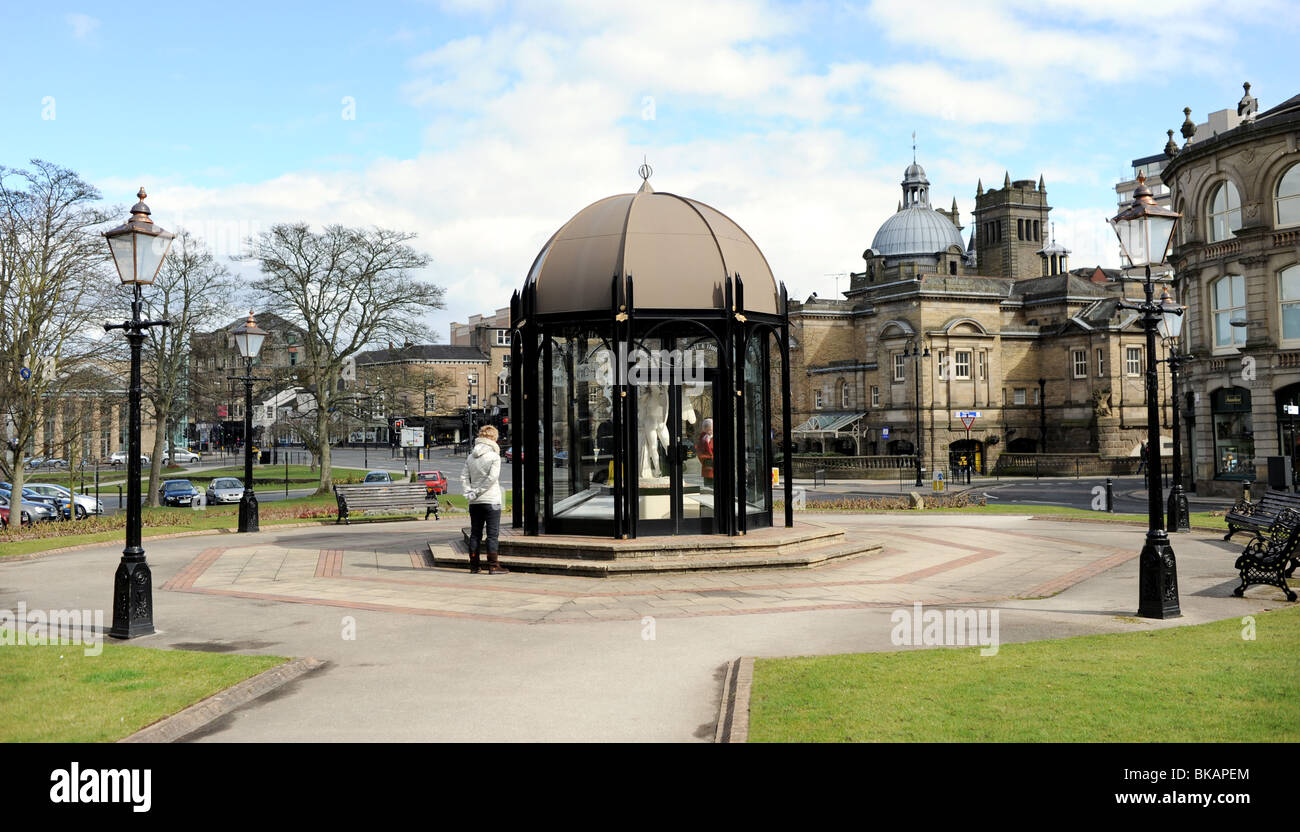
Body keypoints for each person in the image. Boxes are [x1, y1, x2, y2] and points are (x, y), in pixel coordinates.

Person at [461, 425, 507, 575]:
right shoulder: (494, 456)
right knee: (492, 535)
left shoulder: (470, 456)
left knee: (475, 533)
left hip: (474, 502)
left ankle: (474, 566)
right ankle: (493, 566)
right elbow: (492, 478)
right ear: (493, 438)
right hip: (491, 499)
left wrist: (470, 492)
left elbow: (464, 477)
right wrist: (479, 491)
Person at [695, 418, 714, 484]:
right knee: (708, 486)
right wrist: (705, 458)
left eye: (710, 429)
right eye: (707, 430)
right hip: (706, 466)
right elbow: (699, 451)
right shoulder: (703, 438)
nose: (709, 432)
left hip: (713, 465)